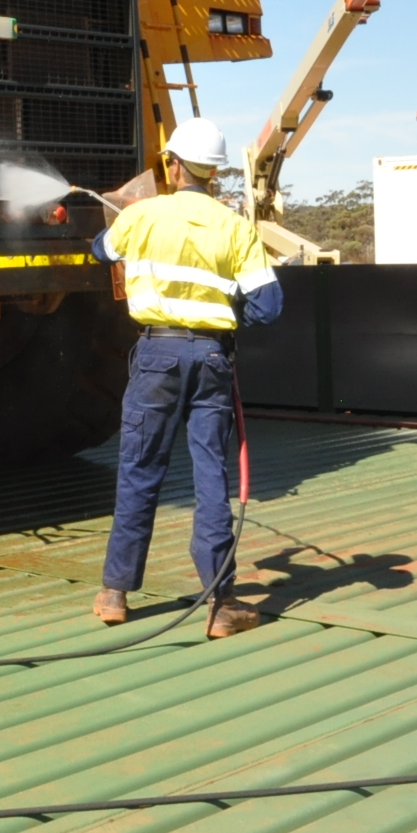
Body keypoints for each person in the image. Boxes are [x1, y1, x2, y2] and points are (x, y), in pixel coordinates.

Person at [89, 116, 282, 637]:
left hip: (156, 358)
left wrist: (124, 222)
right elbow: (269, 306)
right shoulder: (237, 227)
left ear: (172, 166)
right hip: (213, 361)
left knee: (139, 469)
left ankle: (114, 593)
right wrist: (225, 311)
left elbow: (99, 251)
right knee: (211, 478)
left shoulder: (142, 215)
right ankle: (221, 605)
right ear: (214, 174)